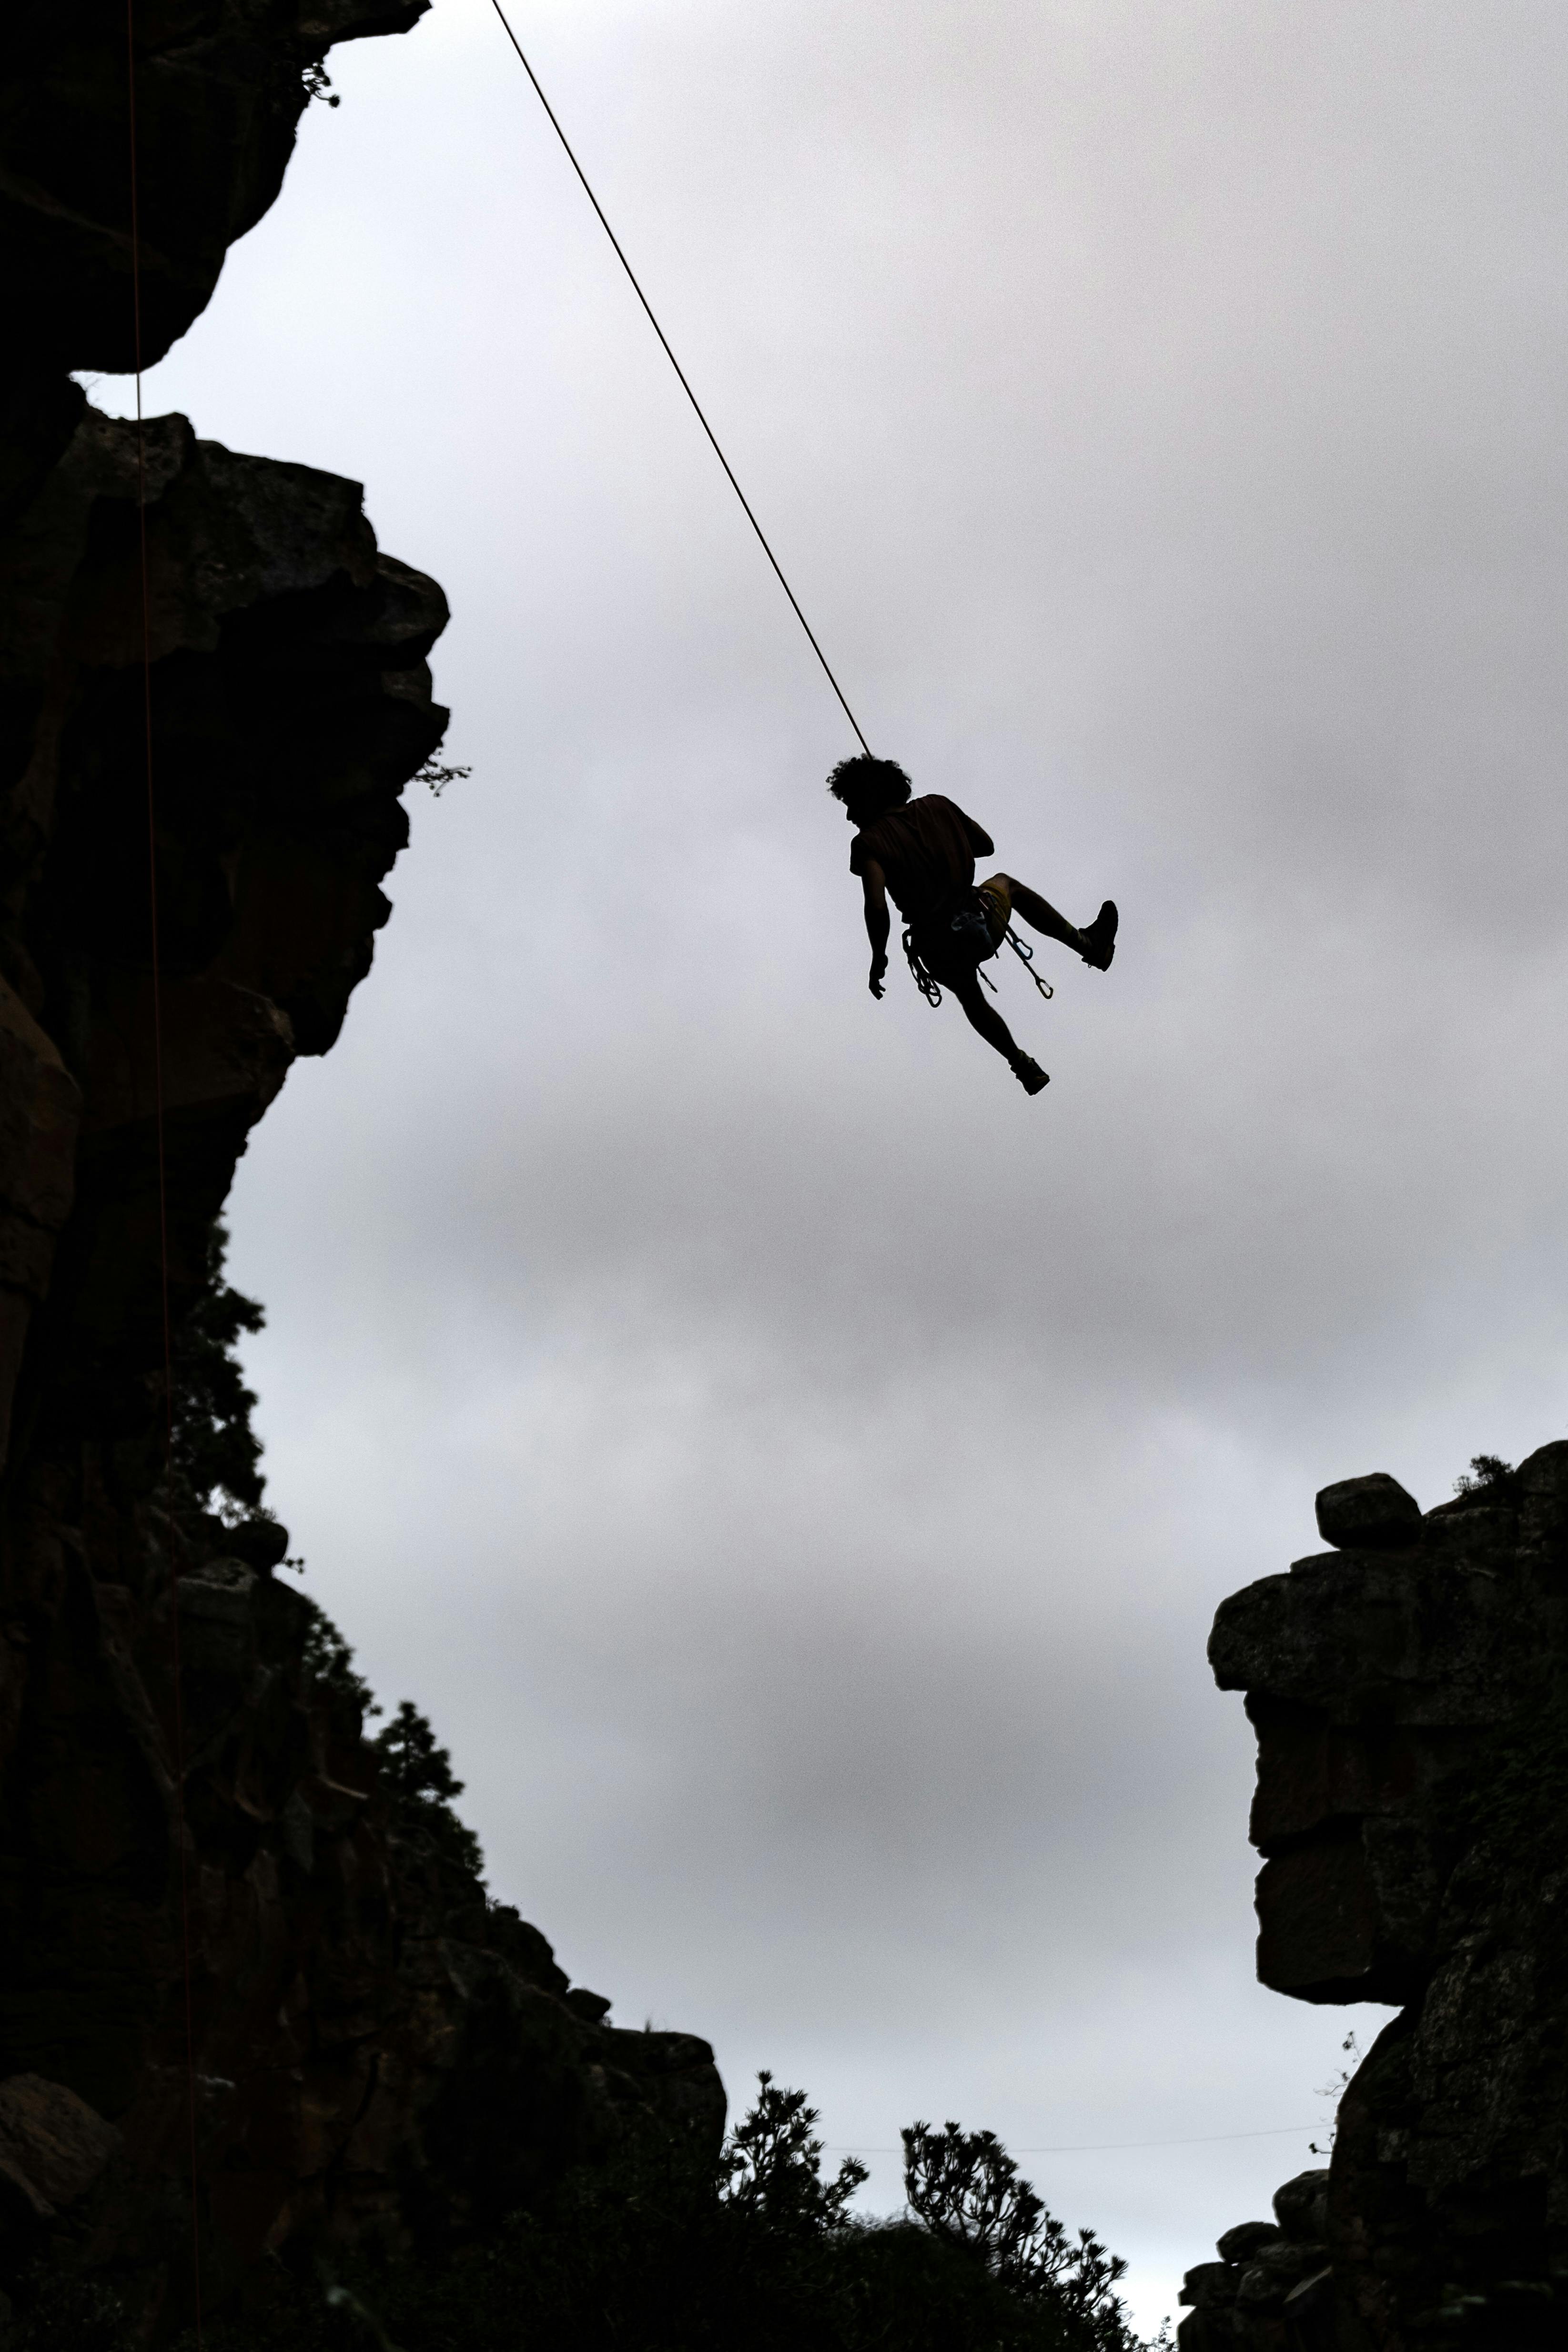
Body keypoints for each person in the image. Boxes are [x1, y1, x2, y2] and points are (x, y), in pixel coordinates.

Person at [829, 752, 1116, 1096]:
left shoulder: (867, 844)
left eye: (851, 803)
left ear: (869, 798)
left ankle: (1021, 1065)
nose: (848, 815)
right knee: (1008, 884)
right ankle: (1088, 946)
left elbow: (877, 905)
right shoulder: (937, 806)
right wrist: (943, 843)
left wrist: (879, 956)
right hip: (983, 920)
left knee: (972, 999)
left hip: (938, 949)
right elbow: (985, 846)